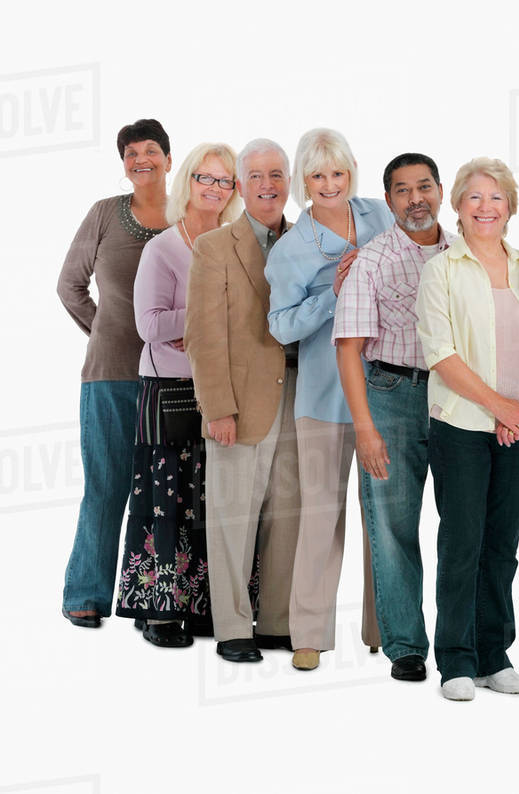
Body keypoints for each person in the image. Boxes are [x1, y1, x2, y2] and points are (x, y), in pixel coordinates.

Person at [415, 157, 519, 701]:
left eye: (495, 197)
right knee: (461, 541)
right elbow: (441, 353)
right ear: (458, 205)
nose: (485, 207)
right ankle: (455, 659)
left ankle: (494, 654)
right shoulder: (442, 270)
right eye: (474, 197)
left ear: (511, 206)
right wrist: (500, 408)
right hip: (464, 425)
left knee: (502, 543)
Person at [265, 128, 391, 671]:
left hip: (387, 392)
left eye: (337, 173)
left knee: (385, 519)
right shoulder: (292, 249)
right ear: (303, 181)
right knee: (321, 517)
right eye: (317, 176)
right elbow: (280, 328)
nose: (329, 184)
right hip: (323, 399)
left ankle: (385, 628)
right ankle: (309, 634)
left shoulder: (380, 215)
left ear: (351, 170)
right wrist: (331, 295)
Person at [114, 142, 241, 646]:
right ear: (186, 180)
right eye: (204, 178)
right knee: (167, 502)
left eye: (224, 181)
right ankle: (160, 610)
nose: (213, 188)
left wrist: (202, 329)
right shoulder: (162, 248)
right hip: (168, 391)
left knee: (212, 500)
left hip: (222, 390)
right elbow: (150, 325)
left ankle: (203, 606)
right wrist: (210, 322)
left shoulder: (235, 244)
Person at [334, 153, 454, 683]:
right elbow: (348, 347)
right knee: (393, 524)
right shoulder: (375, 259)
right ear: (388, 201)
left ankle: (462, 643)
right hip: (391, 395)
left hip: (458, 399)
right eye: (402, 191)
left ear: (441, 191)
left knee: (462, 526)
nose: (415, 199)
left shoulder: (467, 251)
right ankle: (406, 645)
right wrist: (365, 427)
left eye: (424, 187)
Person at [185, 138, 301, 663]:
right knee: (234, 513)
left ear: (290, 182)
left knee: (291, 510)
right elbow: (202, 337)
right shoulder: (215, 248)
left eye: (276, 174)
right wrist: (217, 409)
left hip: (302, 395)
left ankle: (276, 621)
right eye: (255, 176)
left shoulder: (309, 241)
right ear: (239, 185)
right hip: (239, 399)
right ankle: (233, 626)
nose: (268, 185)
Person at [59, 119, 172, 629]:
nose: (141, 158)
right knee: (105, 486)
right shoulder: (104, 214)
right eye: (130, 152)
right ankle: (86, 593)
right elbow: (70, 286)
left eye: (151, 150)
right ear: (123, 163)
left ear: (169, 160)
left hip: (174, 378)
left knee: (164, 491)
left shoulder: (192, 217)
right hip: (110, 375)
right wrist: (104, 331)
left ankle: (154, 597)